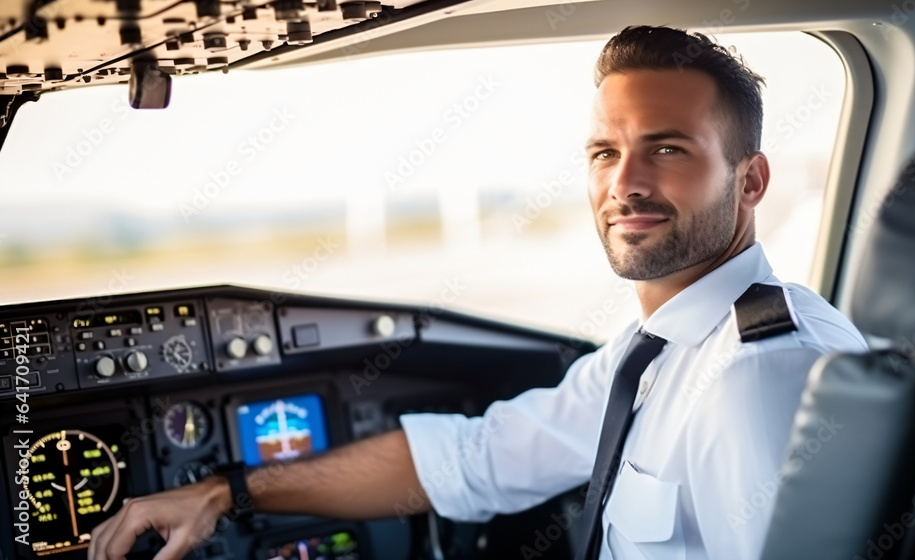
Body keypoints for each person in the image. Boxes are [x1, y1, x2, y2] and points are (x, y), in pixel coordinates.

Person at [89, 26, 867, 560]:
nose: (624, 183)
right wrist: (226, 492)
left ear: (751, 179)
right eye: (604, 152)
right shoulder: (657, 350)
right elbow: (475, 459)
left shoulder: (760, 376)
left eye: (666, 149)